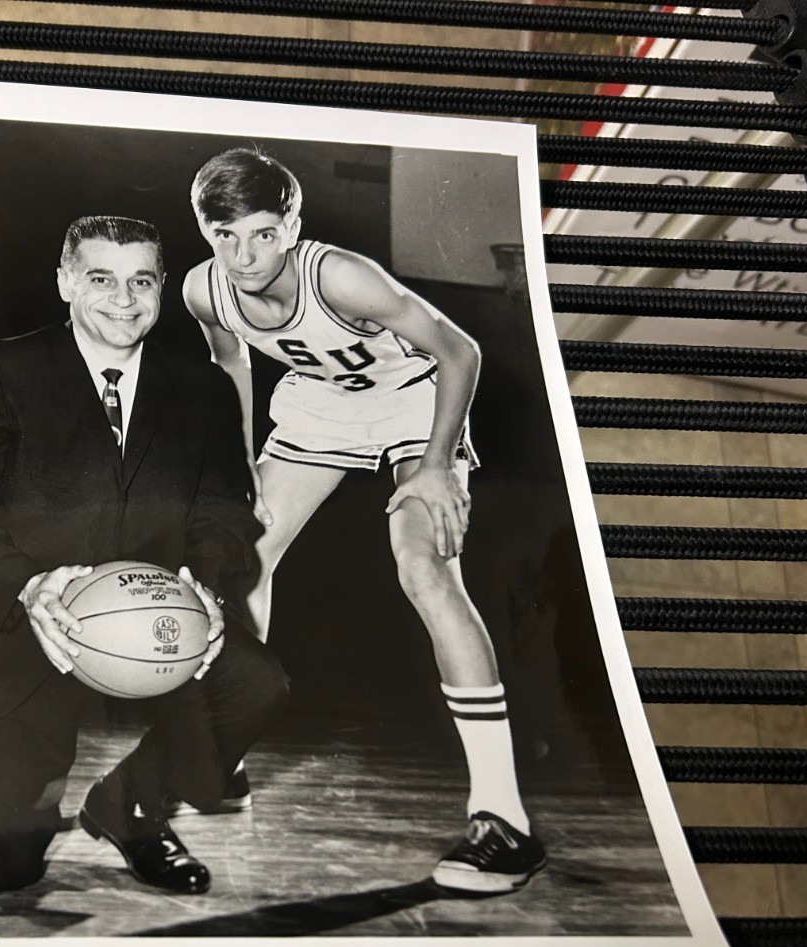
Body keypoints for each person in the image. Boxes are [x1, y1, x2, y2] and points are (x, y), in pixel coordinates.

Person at [0, 214, 288, 896]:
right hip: (14, 620)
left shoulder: (199, 388)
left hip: (139, 617)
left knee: (254, 685)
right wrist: (29, 587)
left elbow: (223, 509)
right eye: (101, 279)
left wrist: (205, 585)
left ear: (162, 287)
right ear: (64, 283)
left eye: (141, 280)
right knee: (2, 866)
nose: (124, 298)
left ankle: (133, 804)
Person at [183, 147, 546, 895]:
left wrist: (440, 464)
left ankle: (503, 820)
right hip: (322, 406)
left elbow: (459, 350)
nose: (245, 255)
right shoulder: (204, 291)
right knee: (242, 553)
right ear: (205, 231)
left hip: (415, 399)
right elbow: (231, 366)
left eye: (261, 233)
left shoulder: (340, 275)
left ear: (292, 224)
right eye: (225, 237)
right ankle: (226, 752)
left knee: (422, 566)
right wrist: (242, 464)